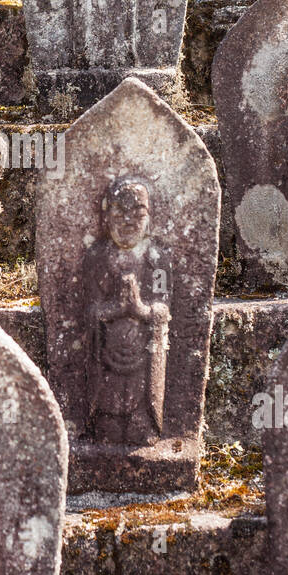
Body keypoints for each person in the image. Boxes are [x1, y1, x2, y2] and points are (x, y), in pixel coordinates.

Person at [83, 176, 170, 446]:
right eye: (119, 212)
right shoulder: (98, 258)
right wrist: (113, 309)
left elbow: (163, 308)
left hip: (143, 353)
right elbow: (90, 311)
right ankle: (104, 420)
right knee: (107, 425)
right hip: (108, 353)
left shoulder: (156, 259)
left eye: (138, 212)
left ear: (149, 217)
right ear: (106, 217)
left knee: (140, 430)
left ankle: (143, 418)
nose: (128, 221)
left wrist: (141, 310)